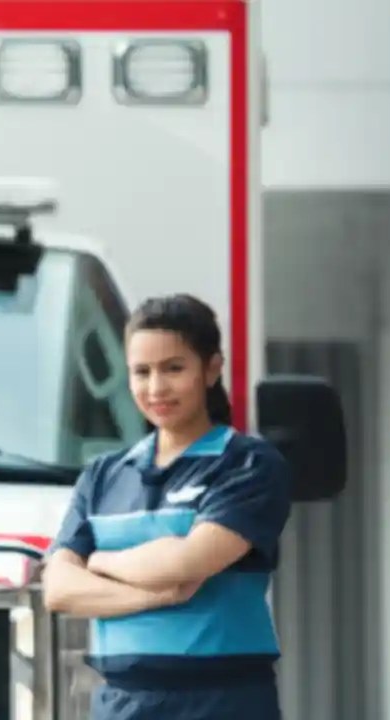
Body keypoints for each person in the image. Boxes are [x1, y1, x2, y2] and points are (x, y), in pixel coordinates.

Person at [42, 293, 292, 719]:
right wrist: (157, 595)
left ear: (212, 368)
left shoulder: (249, 463)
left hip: (222, 703)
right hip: (121, 703)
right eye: (142, 372)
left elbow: (185, 563)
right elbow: (59, 589)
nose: (156, 388)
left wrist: (99, 560)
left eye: (174, 369)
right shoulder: (104, 474)